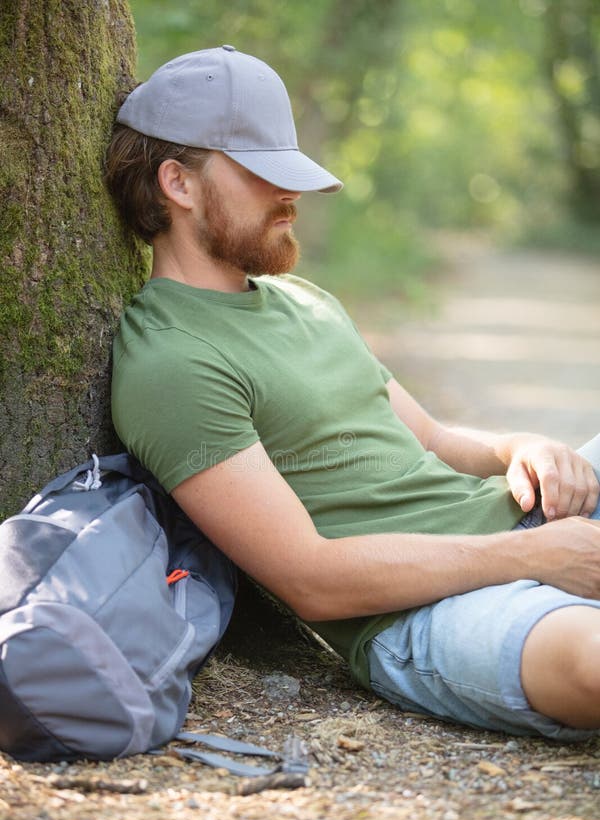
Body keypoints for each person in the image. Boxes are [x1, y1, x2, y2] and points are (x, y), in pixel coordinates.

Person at [106, 46, 600, 741]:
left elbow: (433, 439)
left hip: (525, 527)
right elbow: (310, 578)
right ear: (178, 184)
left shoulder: (304, 300)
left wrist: (522, 448)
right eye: (262, 172)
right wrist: (532, 557)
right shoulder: (171, 360)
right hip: (423, 611)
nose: (292, 195)